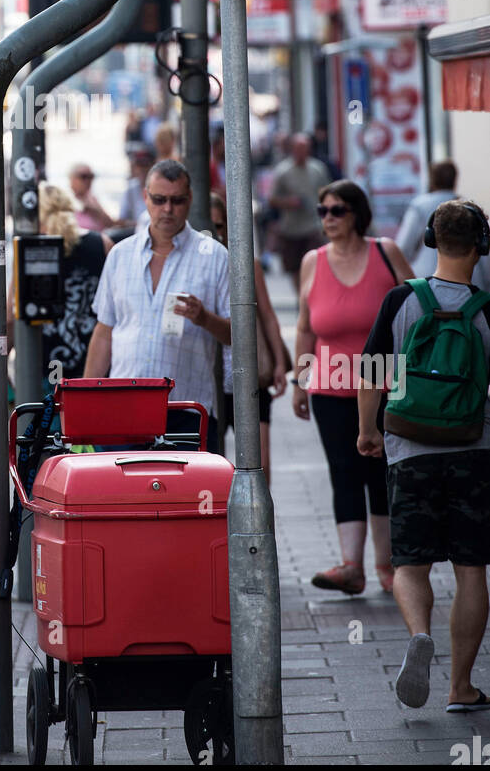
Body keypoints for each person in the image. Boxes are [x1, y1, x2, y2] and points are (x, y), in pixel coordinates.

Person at [358, 200, 490, 712]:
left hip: (409, 447)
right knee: (472, 569)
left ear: (432, 242)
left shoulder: (400, 300)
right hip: (473, 451)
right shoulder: (486, 311)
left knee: (409, 565)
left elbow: (370, 375)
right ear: (480, 247)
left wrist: (367, 432)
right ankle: (461, 687)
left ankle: (418, 635)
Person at [292, 179, 413, 596]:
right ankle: (350, 566)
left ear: (357, 213)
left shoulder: (385, 252)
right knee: (343, 472)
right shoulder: (313, 261)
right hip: (328, 386)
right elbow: (307, 328)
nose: (328, 218)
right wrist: (299, 383)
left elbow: (416, 309)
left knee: (381, 473)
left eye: (337, 210)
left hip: (383, 383)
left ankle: (386, 566)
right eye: (322, 211)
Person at [83, 159, 231, 446]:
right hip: (122, 407)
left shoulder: (214, 256)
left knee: (184, 492)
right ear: (145, 197)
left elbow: (236, 334)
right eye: (159, 199)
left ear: (190, 201)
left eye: (177, 201)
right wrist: (88, 399)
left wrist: (204, 318)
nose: (167, 209)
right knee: (120, 492)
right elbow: (104, 331)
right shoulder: (120, 254)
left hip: (185, 409)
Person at [209, 192, 288, 483]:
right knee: (213, 468)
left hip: (248, 374)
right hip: (210, 380)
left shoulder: (246, 263)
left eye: (219, 226)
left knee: (260, 464)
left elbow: (267, 315)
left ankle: (259, 523)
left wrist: (280, 362)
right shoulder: (194, 265)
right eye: (209, 227)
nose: (215, 234)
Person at [38, 183, 111, 385]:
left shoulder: (33, 250)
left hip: (45, 366)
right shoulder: (102, 243)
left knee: (46, 416)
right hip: (96, 366)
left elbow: (10, 315)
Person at [269, 132, 331, 292]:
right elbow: (272, 199)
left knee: (316, 266)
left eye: (306, 148)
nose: (303, 151)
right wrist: (288, 202)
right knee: (296, 269)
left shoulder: (318, 169)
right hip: (291, 229)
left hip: (313, 227)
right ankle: (301, 298)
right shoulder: (283, 171)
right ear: (292, 149)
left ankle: (313, 297)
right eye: (299, 148)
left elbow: (328, 193)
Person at [395, 161, 459, 278]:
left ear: (432, 179)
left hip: (426, 279)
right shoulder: (468, 207)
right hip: (466, 280)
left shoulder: (420, 206)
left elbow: (403, 247)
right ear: (455, 179)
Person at [116, 145, 155, 228]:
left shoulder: (161, 187)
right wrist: (140, 224)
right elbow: (121, 220)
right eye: (139, 164)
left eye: (145, 164)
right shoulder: (130, 189)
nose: (142, 169)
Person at [68, 162, 114, 233]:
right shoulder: (65, 199)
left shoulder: (93, 198)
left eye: (91, 177)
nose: (88, 181)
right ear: (72, 178)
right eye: (83, 176)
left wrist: (95, 210)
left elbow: (110, 224)